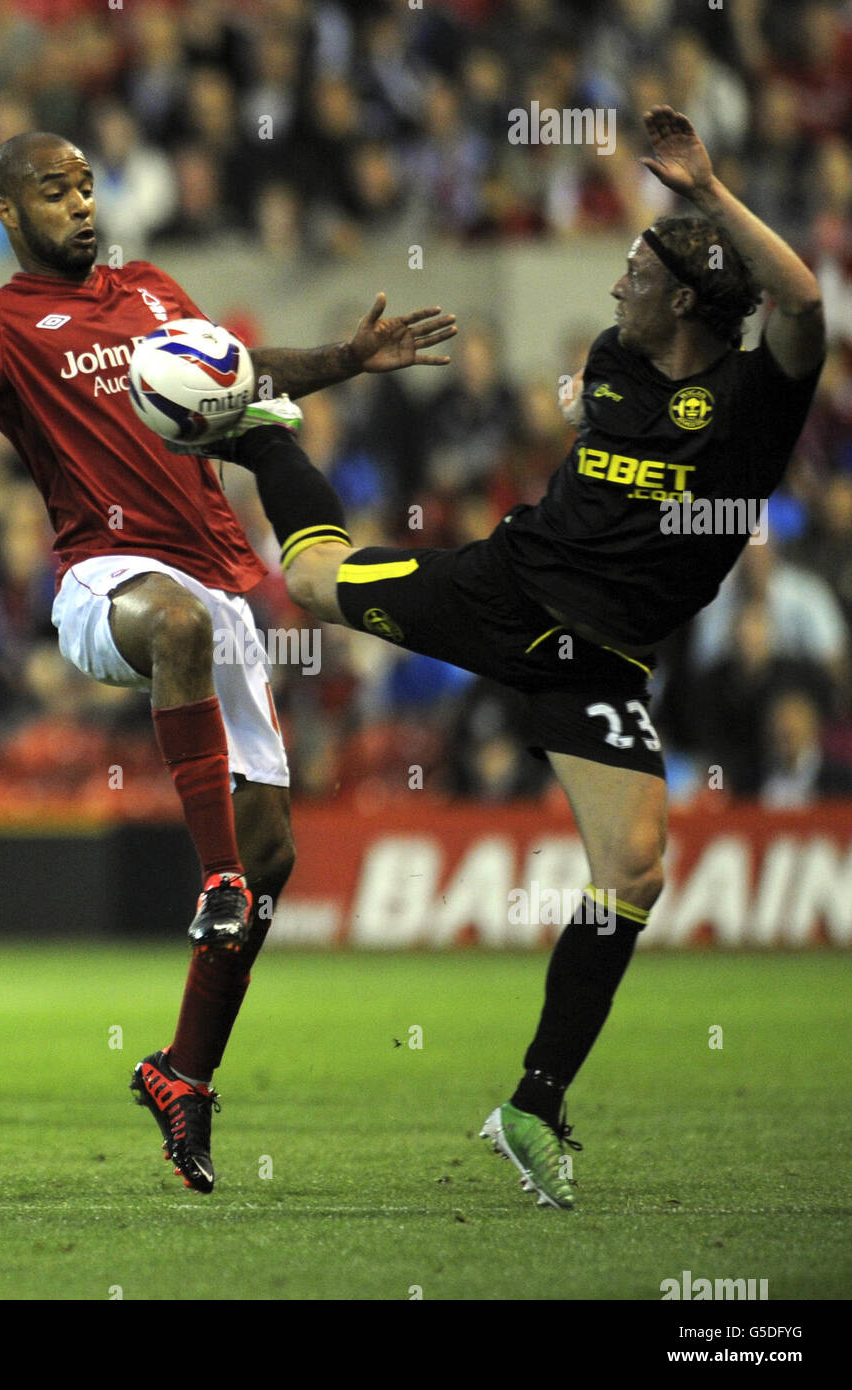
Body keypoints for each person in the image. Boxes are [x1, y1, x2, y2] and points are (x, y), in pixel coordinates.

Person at [0, 130, 455, 1195]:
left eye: (87, 185)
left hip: (222, 581)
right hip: (107, 575)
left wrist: (345, 361)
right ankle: (210, 875)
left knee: (274, 851)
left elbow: (238, 378)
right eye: (54, 190)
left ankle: (183, 1073)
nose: (81, 204)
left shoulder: (150, 290)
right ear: (8, 211)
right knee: (179, 649)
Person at [184, 107, 825, 1208]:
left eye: (635, 263)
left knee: (633, 872)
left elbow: (803, 300)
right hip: (500, 592)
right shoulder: (612, 357)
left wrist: (708, 193)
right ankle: (259, 429)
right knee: (307, 582)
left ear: (682, 293)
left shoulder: (755, 401)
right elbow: (594, 419)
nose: (617, 276)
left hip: (602, 664)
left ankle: (529, 1103)